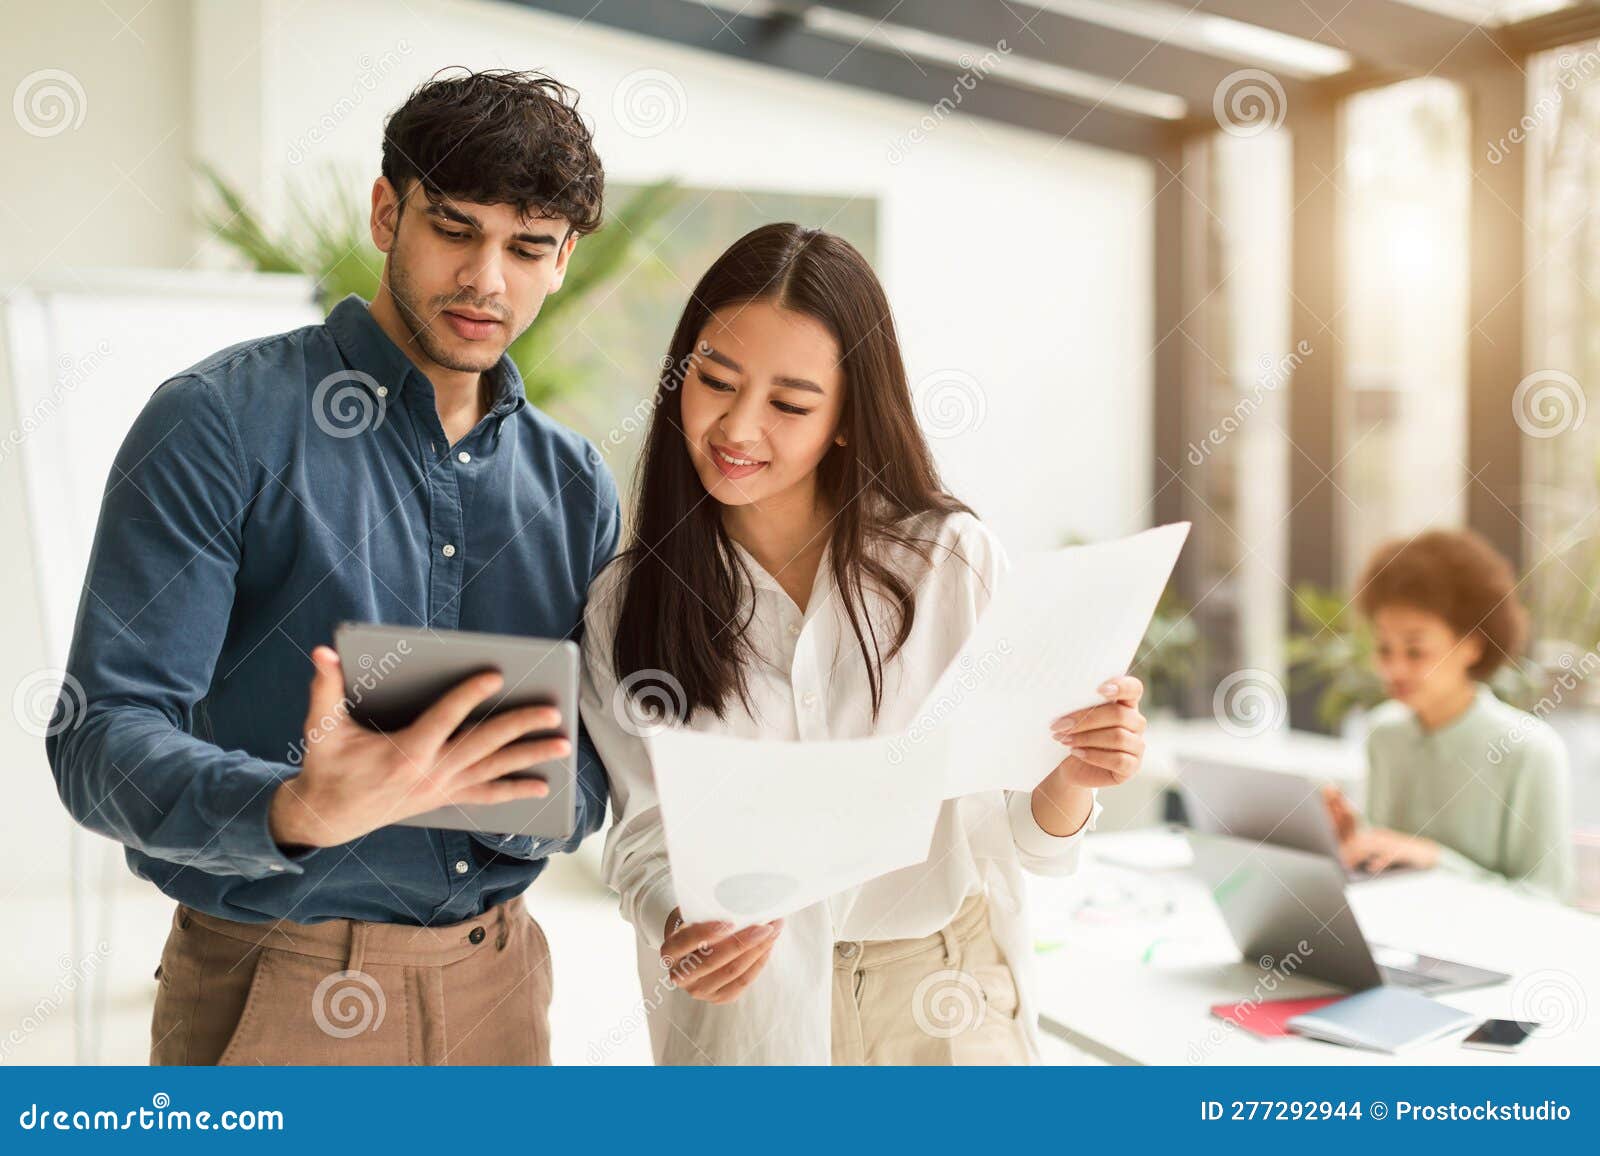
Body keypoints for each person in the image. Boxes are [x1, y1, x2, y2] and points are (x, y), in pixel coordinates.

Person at [45, 69, 620, 1065]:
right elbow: (100, 738)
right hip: (279, 990)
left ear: (563, 258)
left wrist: (505, 791)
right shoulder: (217, 424)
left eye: (527, 247)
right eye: (455, 228)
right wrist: (295, 808)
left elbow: (596, 775)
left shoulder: (575, 485)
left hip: (501, 990)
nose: (487, 278)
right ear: (387, 212)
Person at [581, 223, 1149, 1065]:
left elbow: (1032, 839)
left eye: (789, 405)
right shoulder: (630, 600)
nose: (738, 428)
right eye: (716, 381)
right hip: (752, 1015)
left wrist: (1075, 770)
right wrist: (678, 918)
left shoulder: (949, 562)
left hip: (946, 996)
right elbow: (642, 830)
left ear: (847, 419)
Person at [1323, 529, 1573, 900]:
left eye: (1415, 651)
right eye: (1384, 648)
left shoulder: (1530, 751)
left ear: (1472, 647)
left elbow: (1548, 897)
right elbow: (1387, 874)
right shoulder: (1384, 733)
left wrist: (1434, 859)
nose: (1394, 669)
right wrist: (1352, 843)